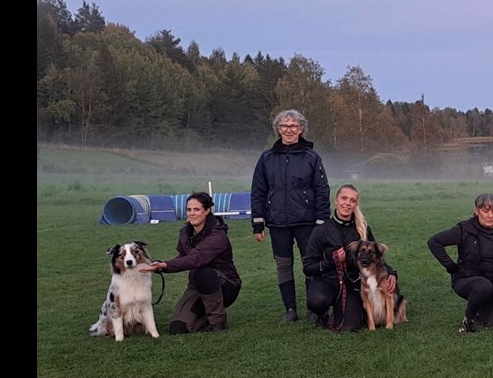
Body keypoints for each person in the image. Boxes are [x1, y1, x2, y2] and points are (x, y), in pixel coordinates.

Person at [251, 109, 331, 323]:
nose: (289, 130)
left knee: (310, 265)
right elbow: (258, 191)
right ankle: (290, 309)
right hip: (277, 222)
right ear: (278, 129)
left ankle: (313, 308)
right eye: (284, 126)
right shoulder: (266, 158)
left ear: (301, 129)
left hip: (307, 221)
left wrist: (322, 221)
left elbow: (322, 189)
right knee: (283, 265)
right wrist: (258, 223)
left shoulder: (312, 157)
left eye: (293, 126)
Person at [140, 192, 242, 334]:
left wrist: (166, 266)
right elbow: (182, 257)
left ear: (207, 211)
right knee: (178, 329)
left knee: (203, 272)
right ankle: (204, 318)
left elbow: (195, 259)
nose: (192, 214)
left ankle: (218, 323)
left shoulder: (218, 235)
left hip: (226, 285)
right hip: (197, 285)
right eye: (189, 210)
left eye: (197, 209)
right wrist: (161, 264)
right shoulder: (185, 233)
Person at [303, 184, 399, 331]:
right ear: (336, 200)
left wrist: (391, 272)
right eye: (344, 198)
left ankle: (349, 311)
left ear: (356, 204)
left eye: (352, 200)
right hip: (327, 281)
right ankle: (321, 315)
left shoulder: (363, 229)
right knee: (317, 300)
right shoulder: (321, 231)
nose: (347, 203)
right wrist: (331, 261)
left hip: (352, 284)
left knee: (350, 327)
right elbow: (308, 267)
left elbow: (376, 258)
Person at [427, 193, 493, 333]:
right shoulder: (464, 228)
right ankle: (468, 320)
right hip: (466, 278)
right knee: (483, 286)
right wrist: (450, 266)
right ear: (476, 211)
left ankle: (484, 308)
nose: (491, 216)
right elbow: (434, 241)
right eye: (486, 211)